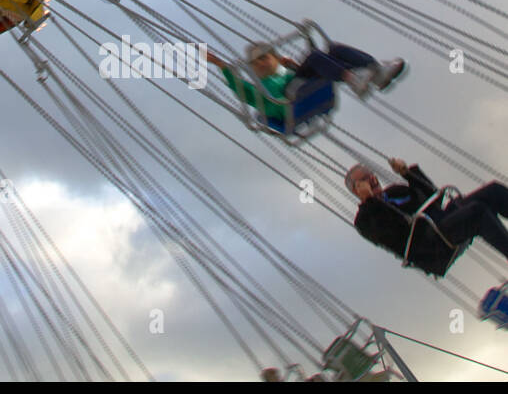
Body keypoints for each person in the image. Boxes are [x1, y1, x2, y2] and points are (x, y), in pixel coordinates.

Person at [347, 158, 508, 276]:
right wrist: (370, 202)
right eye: (365, 179)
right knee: (477, 213)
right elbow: (393, 229)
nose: (372, 179)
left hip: (441, 221)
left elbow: (432, 196)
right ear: (357, 189)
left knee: (493, 192)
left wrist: (408, 173)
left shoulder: (395, 191)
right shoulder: (364, 220)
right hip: (429, 245)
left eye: (371, 175)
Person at [208, 41, 405, 130]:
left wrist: (293, 66)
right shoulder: (259, 90)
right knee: (314, 57)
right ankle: (353, 79)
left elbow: (308, 73)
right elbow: (239, 88)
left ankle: (377, 73)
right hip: (289, 103)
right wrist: (220, 64)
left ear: (275, 58)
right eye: (255, 63)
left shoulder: (285, 73)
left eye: (264, 58)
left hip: (302, 88)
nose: (260, 63)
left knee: (333, 49)